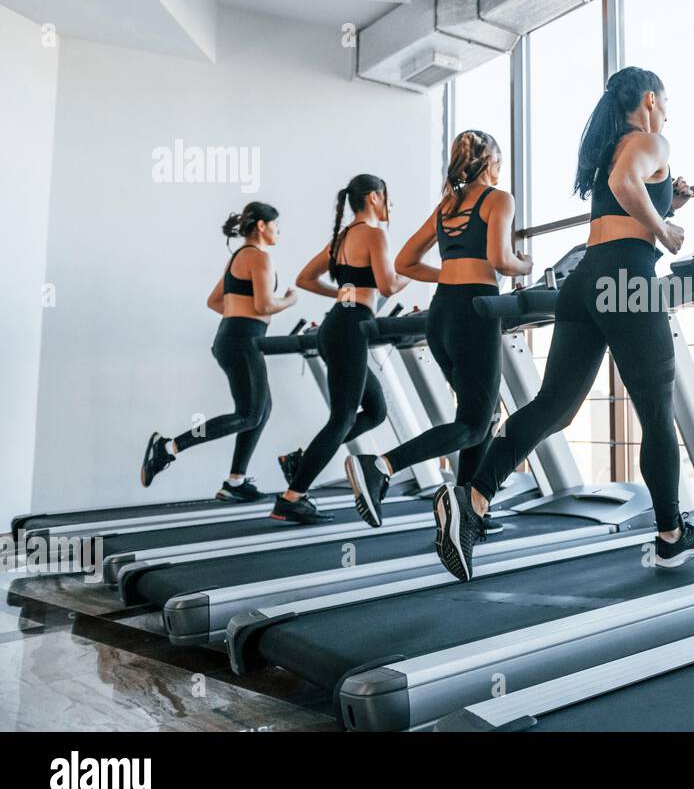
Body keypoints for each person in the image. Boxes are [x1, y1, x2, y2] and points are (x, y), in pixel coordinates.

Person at [433, 66, 694, 581]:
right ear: (650, 99)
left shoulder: (613, 144)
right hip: (627, 281)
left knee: (553, 408)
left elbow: (620, 197)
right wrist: (667, 229)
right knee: (656, 410)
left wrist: (665, 201)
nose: (669, 112)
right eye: (667, 101)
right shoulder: (652, 139)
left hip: (585, 282)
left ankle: (471, 500)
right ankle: (672, 535)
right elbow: (623, 184)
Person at [345, 130, 532, 529]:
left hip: (442, 313)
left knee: (475, 418)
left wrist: (449, 273)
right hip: (475, 312)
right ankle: (381, 466)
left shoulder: (447, 205)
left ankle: (467, 510)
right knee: (474, 424)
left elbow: (405, 261)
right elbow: (500, 259)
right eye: (500, 162)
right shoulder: (499, 199)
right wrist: (525, 265)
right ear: (491, 162)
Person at [272, 174, 410, 524]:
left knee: (375, 409)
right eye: (388, 197)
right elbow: (389, 285)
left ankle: (300, 462)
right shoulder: (375, 234)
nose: (390, 204)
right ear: (376, 197)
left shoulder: (344, 237)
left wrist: (344, 294)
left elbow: (304, 278)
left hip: (337, 324)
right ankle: (292, 497)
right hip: (349, 329)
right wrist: (418, 271)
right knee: (343, 417)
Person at [140, 202, 297, 500]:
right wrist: (288, 300)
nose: (279, 230)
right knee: (250, 413)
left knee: (260, 411)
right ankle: (169, 447)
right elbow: (265, 305)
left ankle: (235, 482)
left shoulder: (238, 257)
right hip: (243, 340)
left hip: (232, 338)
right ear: (262, 226)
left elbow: (214, 301)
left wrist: (240, 314)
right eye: (276, 224)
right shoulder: (260, 258)